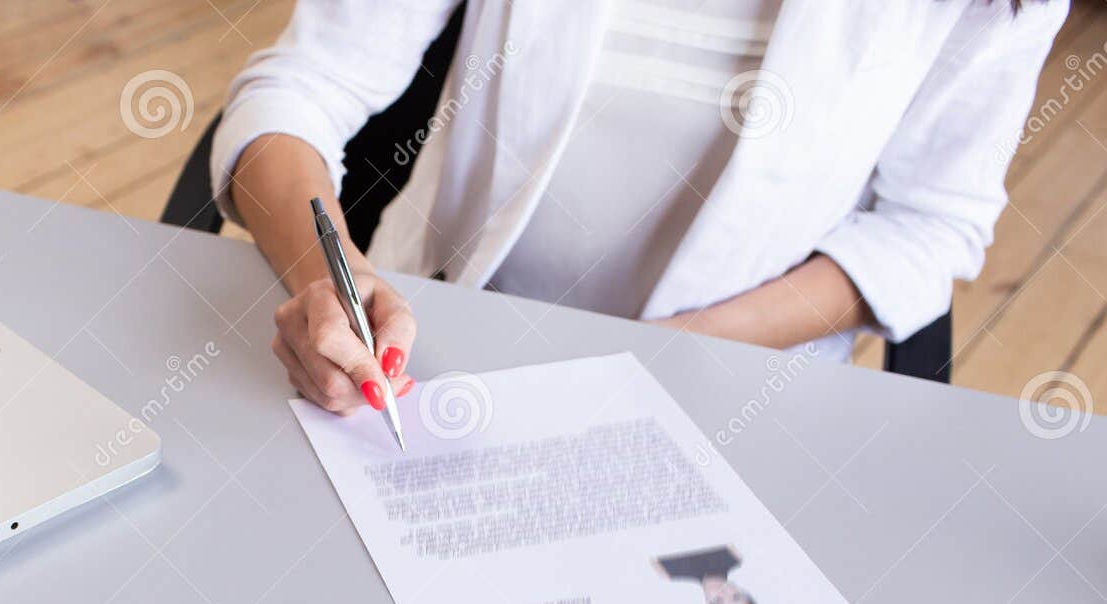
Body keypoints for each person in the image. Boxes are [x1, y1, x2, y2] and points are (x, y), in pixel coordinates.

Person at [211, 0, 1066, 415]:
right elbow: (299, 88)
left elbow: (929, 222)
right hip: (426, 365)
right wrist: (331, 275)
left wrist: (665, 358)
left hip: (733, 405)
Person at [656, 545, 759, 604]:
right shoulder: (735, 556)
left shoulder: (668, 572)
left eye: (719, 600)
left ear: (708, 602)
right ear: (742, 590)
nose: (723, 593)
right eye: (735, 597)